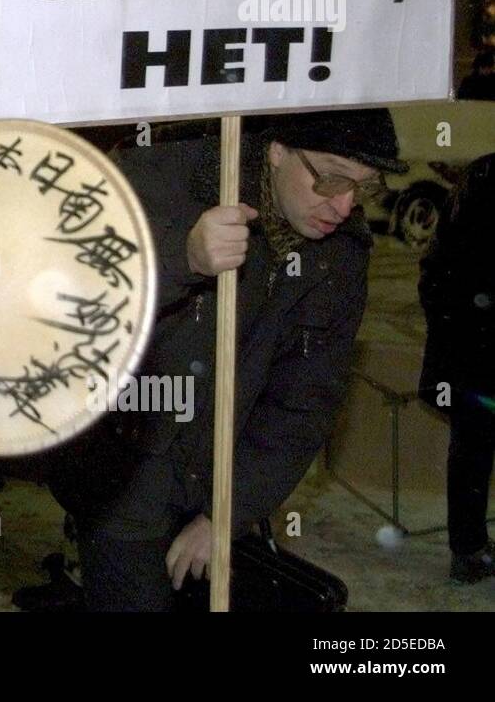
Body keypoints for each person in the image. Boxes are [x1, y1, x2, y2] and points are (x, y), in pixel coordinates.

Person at [23, 109, 407, 612]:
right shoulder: (163, 179)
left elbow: (304, 401)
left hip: (221, 475)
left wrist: (227, 513)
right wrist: (180, 258)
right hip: (123, 470)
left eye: (366, 187)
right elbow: (57, 296)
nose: (344, 204)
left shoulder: (339, 253)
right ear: (277, 150)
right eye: (331, 178)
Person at [419, 152, 495, 583]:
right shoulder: (483, 179)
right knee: (472, 448)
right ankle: (468, 549)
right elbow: (441, 270)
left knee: (471, 449)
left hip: (471, 345)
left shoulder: (480, 177)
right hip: (476, 351)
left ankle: (469, 548)